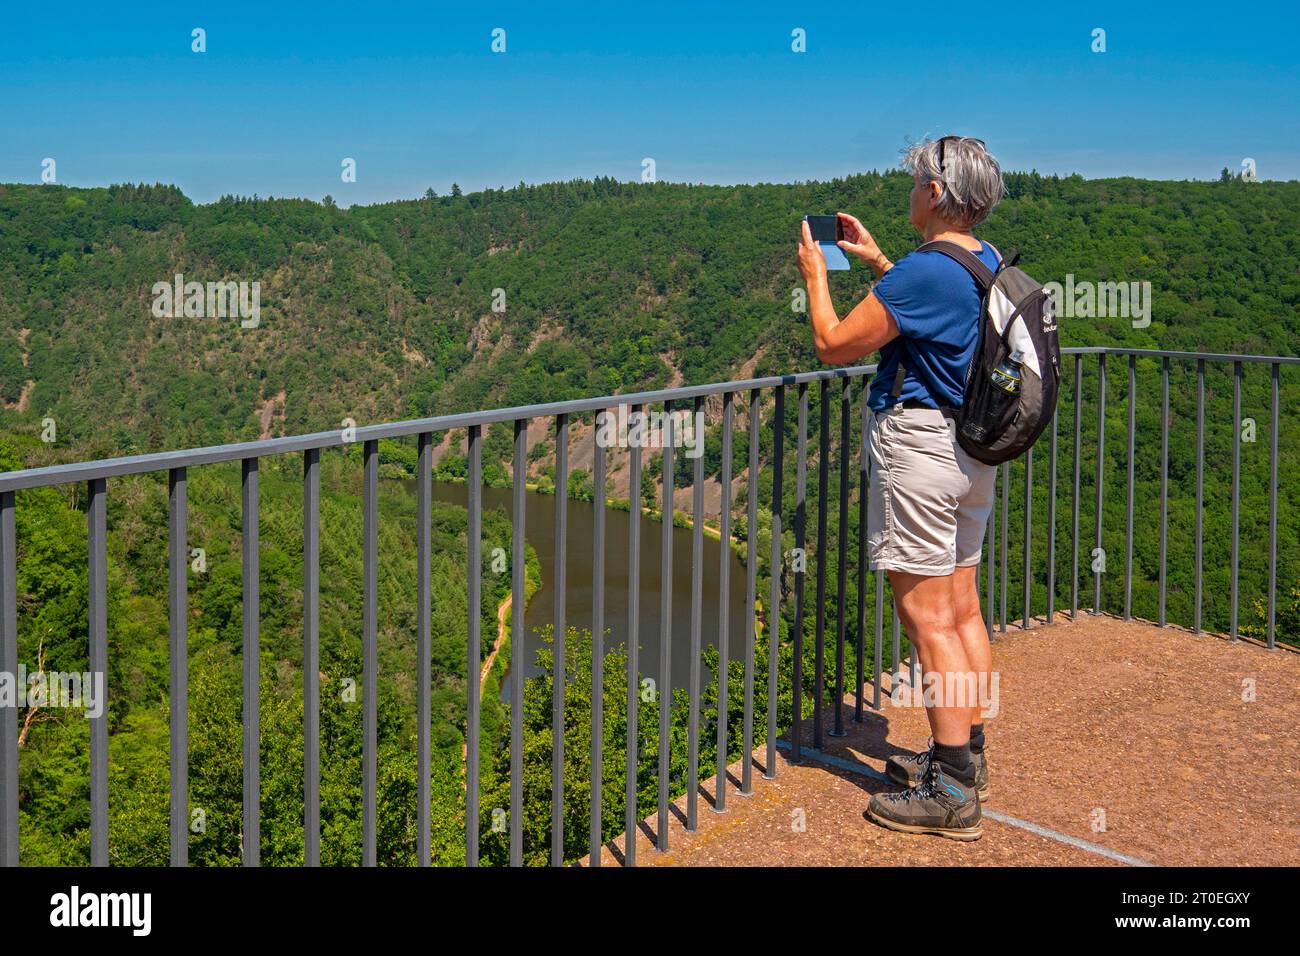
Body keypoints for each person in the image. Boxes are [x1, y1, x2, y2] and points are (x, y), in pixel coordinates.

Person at [794, 136, 1005, 841]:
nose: (911, 186)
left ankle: (948, 793)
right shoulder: (983, 260)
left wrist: (815, 276)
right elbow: (933, 319)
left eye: (918, 178)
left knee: (929, 622)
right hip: (973, 452)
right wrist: (879, 262)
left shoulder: (925, 274)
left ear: (937, 193)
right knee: (964, 610)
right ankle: (965, 756)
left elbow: (834, 343)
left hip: (920, 450)